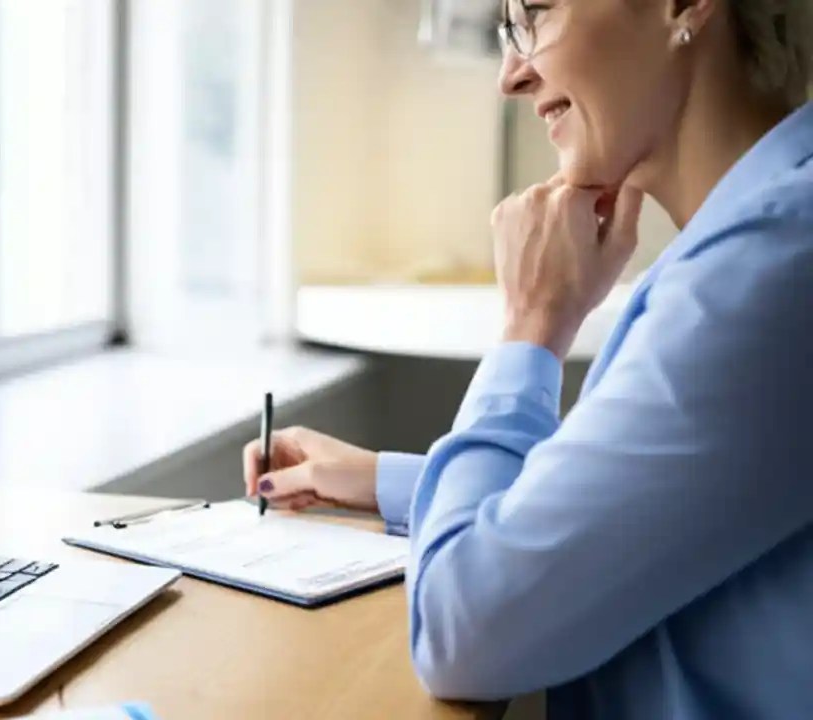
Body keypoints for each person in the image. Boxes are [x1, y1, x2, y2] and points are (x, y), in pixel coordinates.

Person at [243, 0, 813, 717]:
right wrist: (384, 479)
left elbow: (463, 632)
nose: (511, 75)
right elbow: (664, 498)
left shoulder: (770, 268)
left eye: (536, 13)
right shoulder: (760, 240)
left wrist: (532, 323)